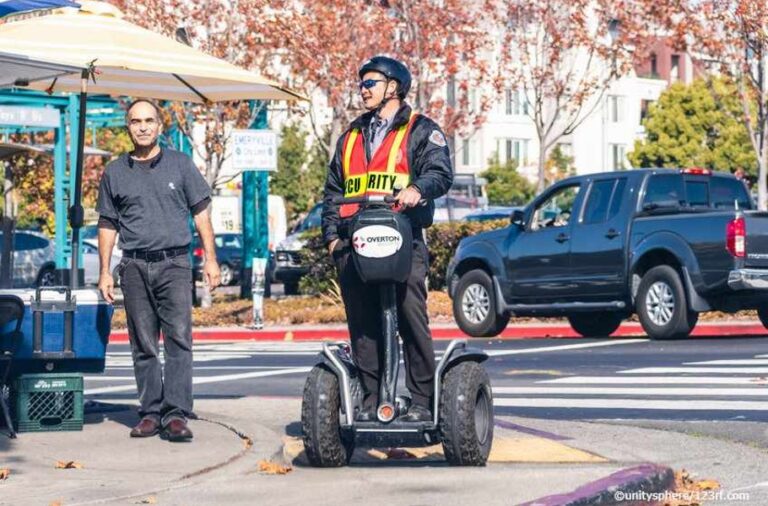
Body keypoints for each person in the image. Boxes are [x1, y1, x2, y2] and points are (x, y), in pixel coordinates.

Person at [322, 56, 453, 422]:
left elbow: (441, 173)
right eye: (361, 84)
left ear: (392, 87)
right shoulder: (350, 137)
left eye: (370, 83)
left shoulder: (420, 130)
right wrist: (333, 239)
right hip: (356, 244)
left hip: (402, 240)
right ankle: (369, 400)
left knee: (410, 316)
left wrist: (417, 188)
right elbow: (333, 192)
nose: (362, 89)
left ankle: (423, 401)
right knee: (363, 324)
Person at [96, 98, 221, 442]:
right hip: (133, 266)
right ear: (128, 127)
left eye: (149, 120)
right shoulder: (115, 172)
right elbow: (107, 224)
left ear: (159, 126)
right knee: (143, 343)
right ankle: (151, 412)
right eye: (136, 121)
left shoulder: (180, 165)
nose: (143, 126)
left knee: (178, 339)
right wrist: (105, 271)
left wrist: (210, 258)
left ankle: (176, 413)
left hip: (175, 264)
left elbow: (201, 215)